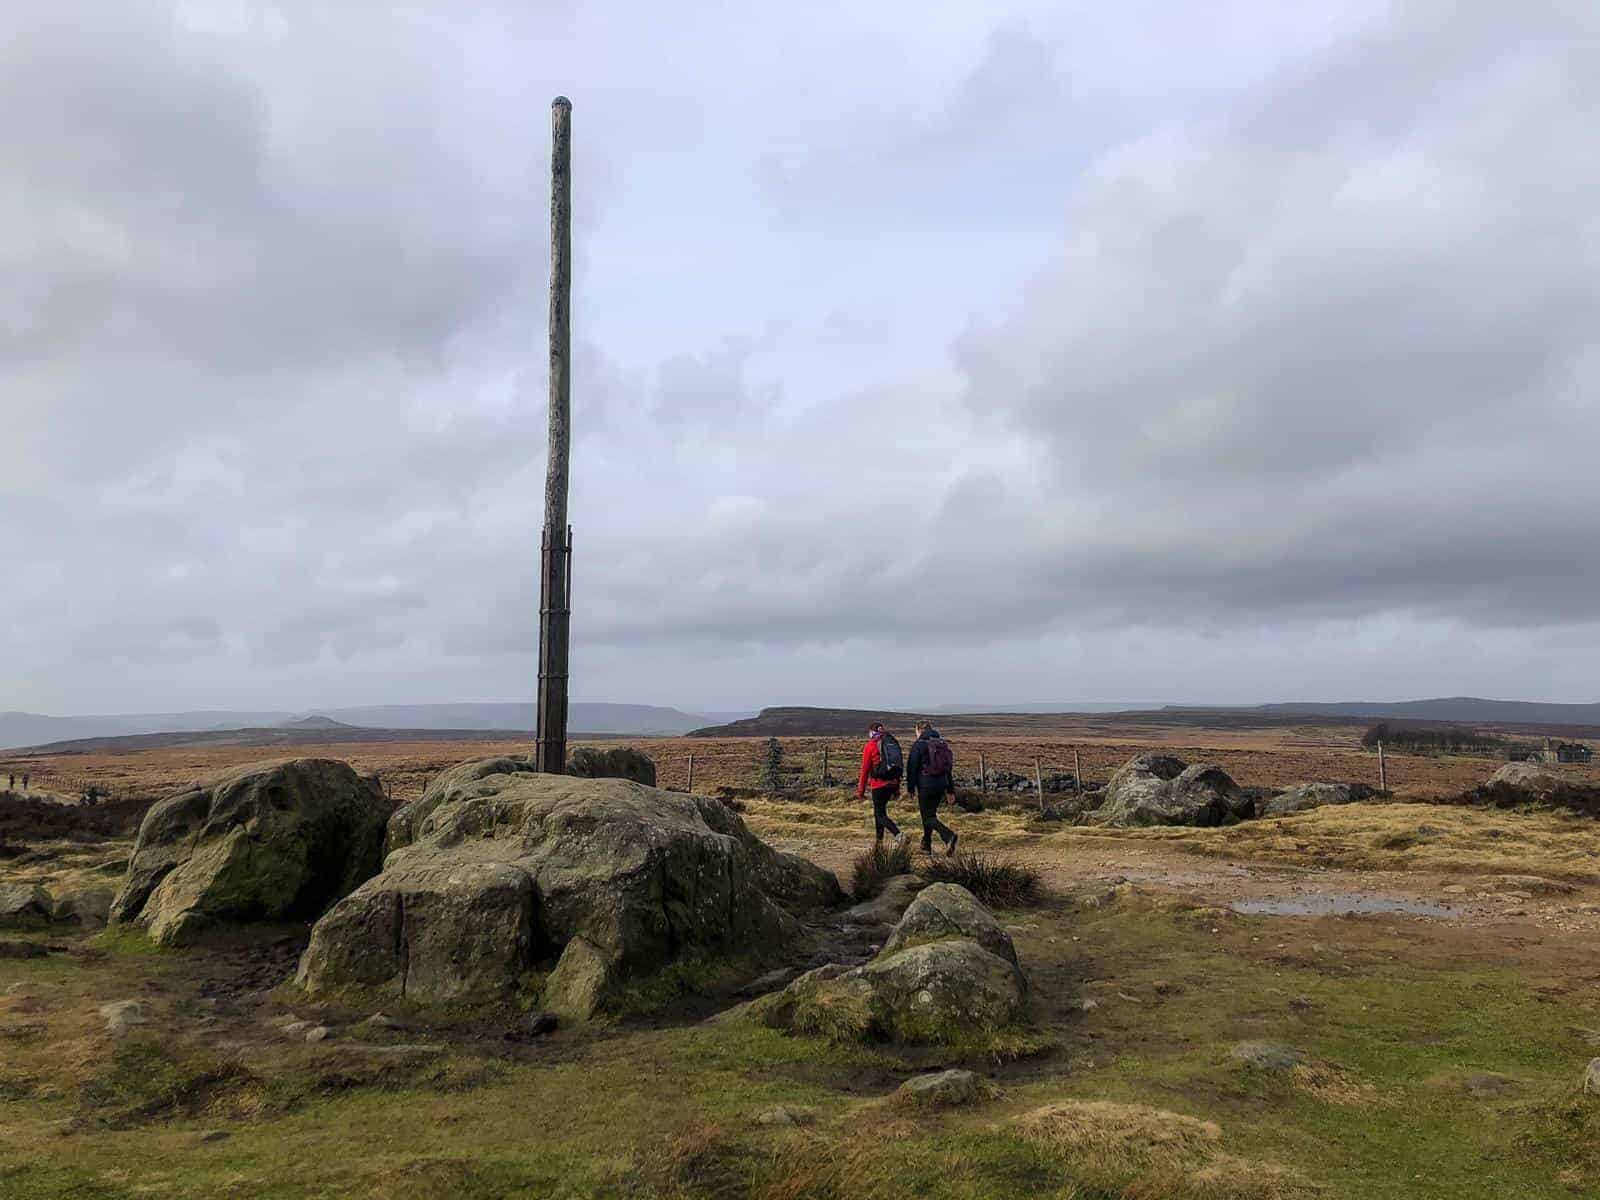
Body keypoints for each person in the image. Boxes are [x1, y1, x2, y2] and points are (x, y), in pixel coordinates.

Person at [906, 720, 958, 855]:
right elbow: (948, 769)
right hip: (941, 784)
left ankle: (948, 836)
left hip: (926, 785)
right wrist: (950, 790)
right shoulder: (942, 743)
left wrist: (910, 788)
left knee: (928, 817)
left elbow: (912, 768)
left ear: (918, 730)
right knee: (930, 815)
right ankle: (926, 845)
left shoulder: (919, 744)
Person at [856, 722, 904, 843]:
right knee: (880, 814)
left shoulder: (870, 746)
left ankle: (898, 835)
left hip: (878, 785)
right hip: (892, 784)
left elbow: (865, 770)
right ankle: (879, 844)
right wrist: (897, 788)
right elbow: (896, 767)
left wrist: (860, 792)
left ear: (871, 732)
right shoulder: (891, 743)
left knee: (880, 815)